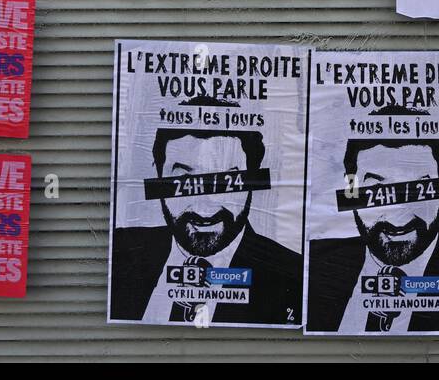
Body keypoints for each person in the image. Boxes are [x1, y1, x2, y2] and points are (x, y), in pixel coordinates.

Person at [110, 128, 301, 326]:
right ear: (157, 176)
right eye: (183, 181)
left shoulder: (294, 277)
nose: (204, 208)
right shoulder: (120, 252)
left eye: (227, 181)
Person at [306, 138, 439, 333]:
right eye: (376, 191)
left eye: (419, 190)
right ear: (351, 191)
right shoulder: (310, 267)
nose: (398, 221)